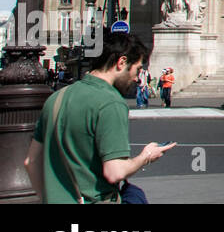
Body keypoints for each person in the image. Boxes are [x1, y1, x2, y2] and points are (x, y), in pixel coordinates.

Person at [24, 32, 177, 204]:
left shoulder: (56, 99)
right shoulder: (111, 102)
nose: (137, 78)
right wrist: (146, 156)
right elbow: (115, 172)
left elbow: (30, 162)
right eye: (138, 69)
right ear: (121, 62)